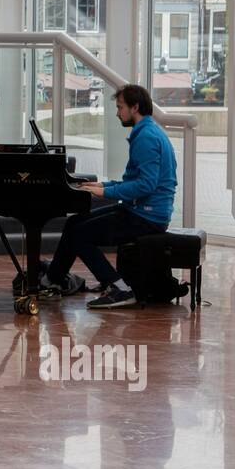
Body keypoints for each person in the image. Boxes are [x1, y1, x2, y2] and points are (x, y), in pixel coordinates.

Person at [43, 84, 178, 309]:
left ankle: (119, 288)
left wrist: (106, 192)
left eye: (120, 107)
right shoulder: (148, 131)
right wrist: (103, 184)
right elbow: (136, 180)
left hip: (148, 216)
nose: (117, 113)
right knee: (74, 223)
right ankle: (53, 280)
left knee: (80, 234)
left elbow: (146, 185)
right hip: (139, 209)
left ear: (135, 107)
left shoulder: (146, 137)